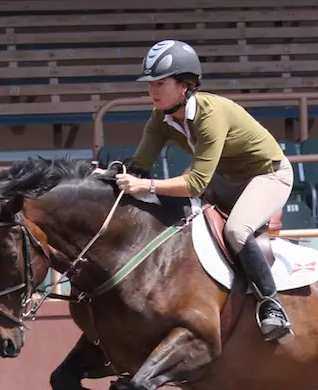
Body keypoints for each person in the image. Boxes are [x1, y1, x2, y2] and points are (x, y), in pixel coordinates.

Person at [111, 39, 295, 342]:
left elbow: (195, 183)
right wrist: (109, 175)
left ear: (186, 86)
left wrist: (146, 185)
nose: (152, 90)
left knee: (236, 230)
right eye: (150, 84)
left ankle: (271, 304)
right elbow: (140, 164)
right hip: (223, 176)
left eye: (160, 83)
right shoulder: (161, 117)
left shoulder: (211, 116)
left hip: (266, 175)